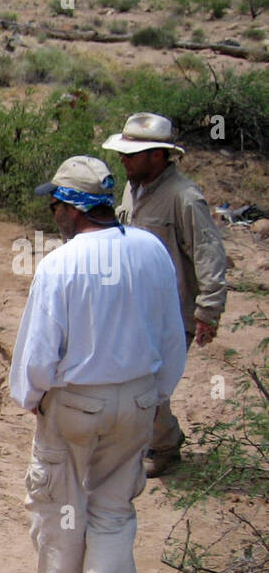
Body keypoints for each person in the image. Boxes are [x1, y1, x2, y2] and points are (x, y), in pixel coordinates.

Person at [9, 157, 187, 573]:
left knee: (58, 500)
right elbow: (172, 335)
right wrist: (154, 395)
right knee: (113, 501)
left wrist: (33, 398)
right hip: (137, 399)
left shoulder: (60, 264)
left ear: (72, 207)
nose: (52, 214)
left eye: (55, 205)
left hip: (75, 402)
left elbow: (39, 351)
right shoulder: (151, 250)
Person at [102, 112, 228, 477]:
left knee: (149, 386)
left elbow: (208, 253)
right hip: (132, 306)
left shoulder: (185, 198)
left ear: (158, 155)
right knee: (126, 378)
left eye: (132, 153)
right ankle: (142, 441)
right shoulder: (132, 188)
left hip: (171, 312)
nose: (123, 159)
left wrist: (208, 311)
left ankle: (165, 447)